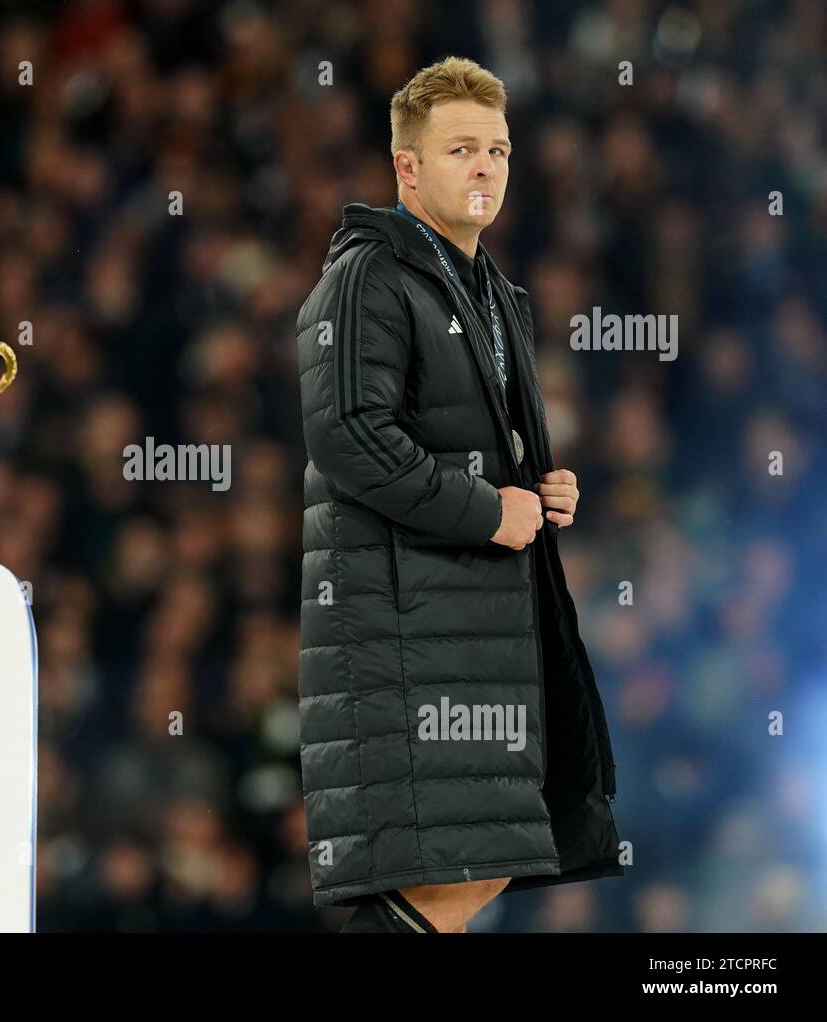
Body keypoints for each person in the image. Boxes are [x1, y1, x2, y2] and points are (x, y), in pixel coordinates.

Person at [295, 56, 622, 934]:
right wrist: (489, 510)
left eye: (499, 150)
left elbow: (472, 443)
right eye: (462, 150)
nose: (486, 167)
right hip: (409, 629)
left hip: (475, 625)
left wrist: (539, 487)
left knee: (483, 862)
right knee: (442, 874)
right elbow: (350, 435)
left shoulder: (492, 291)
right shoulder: (370, 276)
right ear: (409, 167)